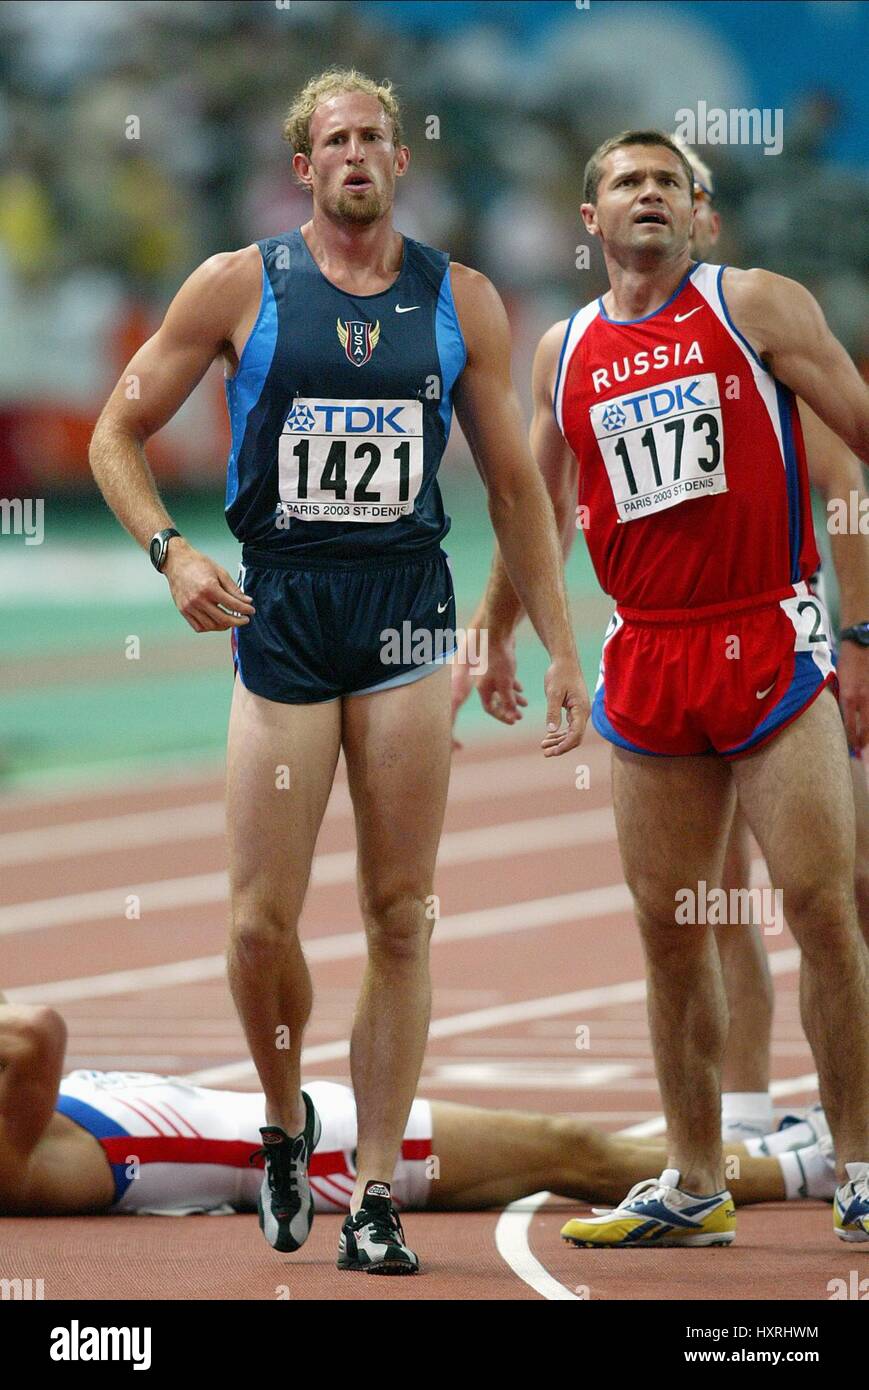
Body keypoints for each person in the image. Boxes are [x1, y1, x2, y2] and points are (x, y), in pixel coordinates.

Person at [88, 69, 588, 1275]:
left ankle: (372, 1189)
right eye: (334, 140)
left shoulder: (458, 300)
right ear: (302, 168)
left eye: (374, 136)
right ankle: (280, 1116)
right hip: (284, 608)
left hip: (406, 616)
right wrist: (170, 552)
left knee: (398, 913)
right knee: (261, 920)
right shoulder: (235, 284)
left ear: (399, 161)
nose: (357, 153)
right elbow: (116, 429)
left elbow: (517, 491)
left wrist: (557, 642)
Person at [452, 129, 869, 1247]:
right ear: (587, 221)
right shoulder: (565, 349)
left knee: (820, 909)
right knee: (670, 927)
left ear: (701, 217)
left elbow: (856, 444)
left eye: (667, 184)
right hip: (649, 652)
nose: (646, 195)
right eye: (624, 183)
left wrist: (863, 629)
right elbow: (533, 514)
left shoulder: (757, 307)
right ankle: (693, 1182)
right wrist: (496, 636)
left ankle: (862, 1165)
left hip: (769, 642)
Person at [0, 997, 835, 1243]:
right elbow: (37, 1026)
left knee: (572, 1146)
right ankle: (806, 1172)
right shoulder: (13, 1155)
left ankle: (765, 1152)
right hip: (322, 1159)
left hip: (307, 1128)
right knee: (569, 1152)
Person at [676, 141, 869, 1145]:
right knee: (711, 894)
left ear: (709, 224)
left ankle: (856, 1132)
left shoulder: (766, 330)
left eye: (687, 200)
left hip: (798, 647)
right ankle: (746, 1115)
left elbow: (849, 491)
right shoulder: (620, 352)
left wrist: (859, 635)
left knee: (836, 892)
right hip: (685, 657)